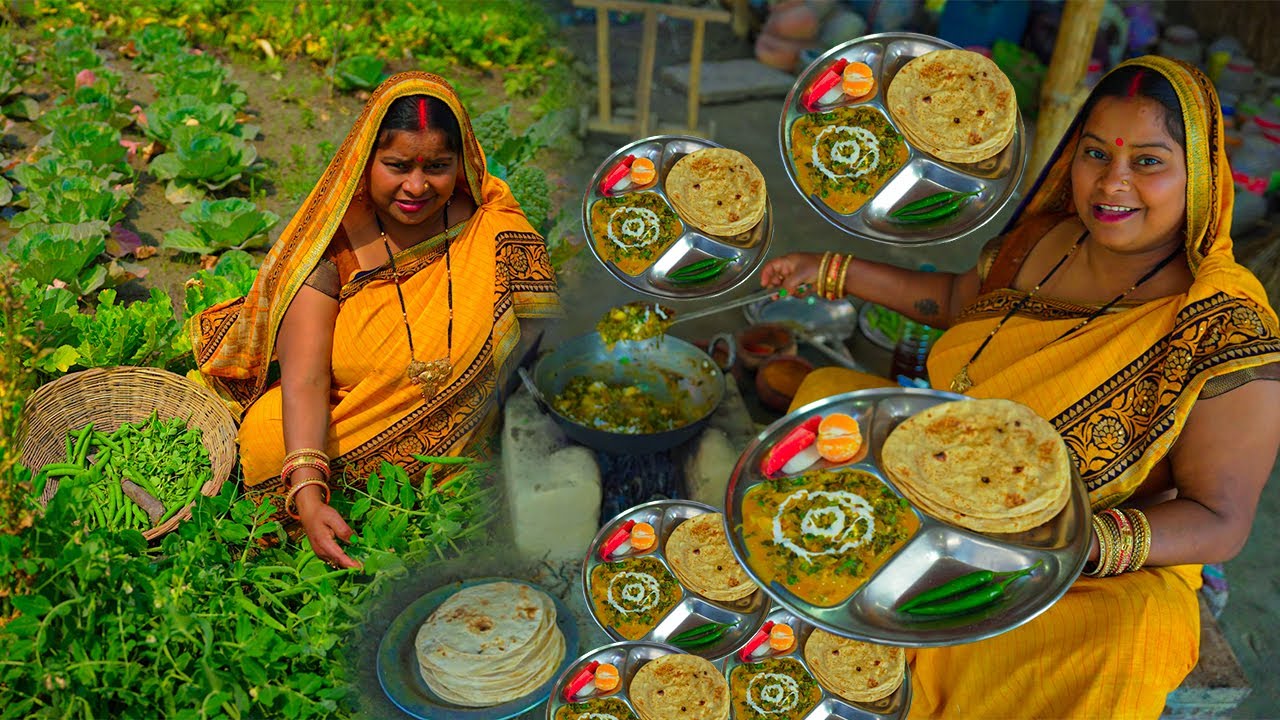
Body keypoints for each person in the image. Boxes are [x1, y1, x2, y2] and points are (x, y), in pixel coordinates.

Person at [761, 56, 1280, 718]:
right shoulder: (1051, 240)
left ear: (1201, 175)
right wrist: (830, 269)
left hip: (1085, 558)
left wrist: (1067, 544)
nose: (1112, 183)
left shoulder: (1223, 329)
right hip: (954, 473)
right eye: (1096, 153)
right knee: (829, 408)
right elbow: (955, 299)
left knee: (1124, 639)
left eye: (1148, 162)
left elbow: (1220, 519)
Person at [192, 72, 561, 569]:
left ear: (464, 163)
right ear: (365, 163)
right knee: (266, 437)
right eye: (397, 165)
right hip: (350, 421)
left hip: (474, 436)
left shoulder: (495, 229)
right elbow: (306, 376)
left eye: (438, 166)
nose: (416, 185)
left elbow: (540, 346)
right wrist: (308, 490)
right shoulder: (330, 246)